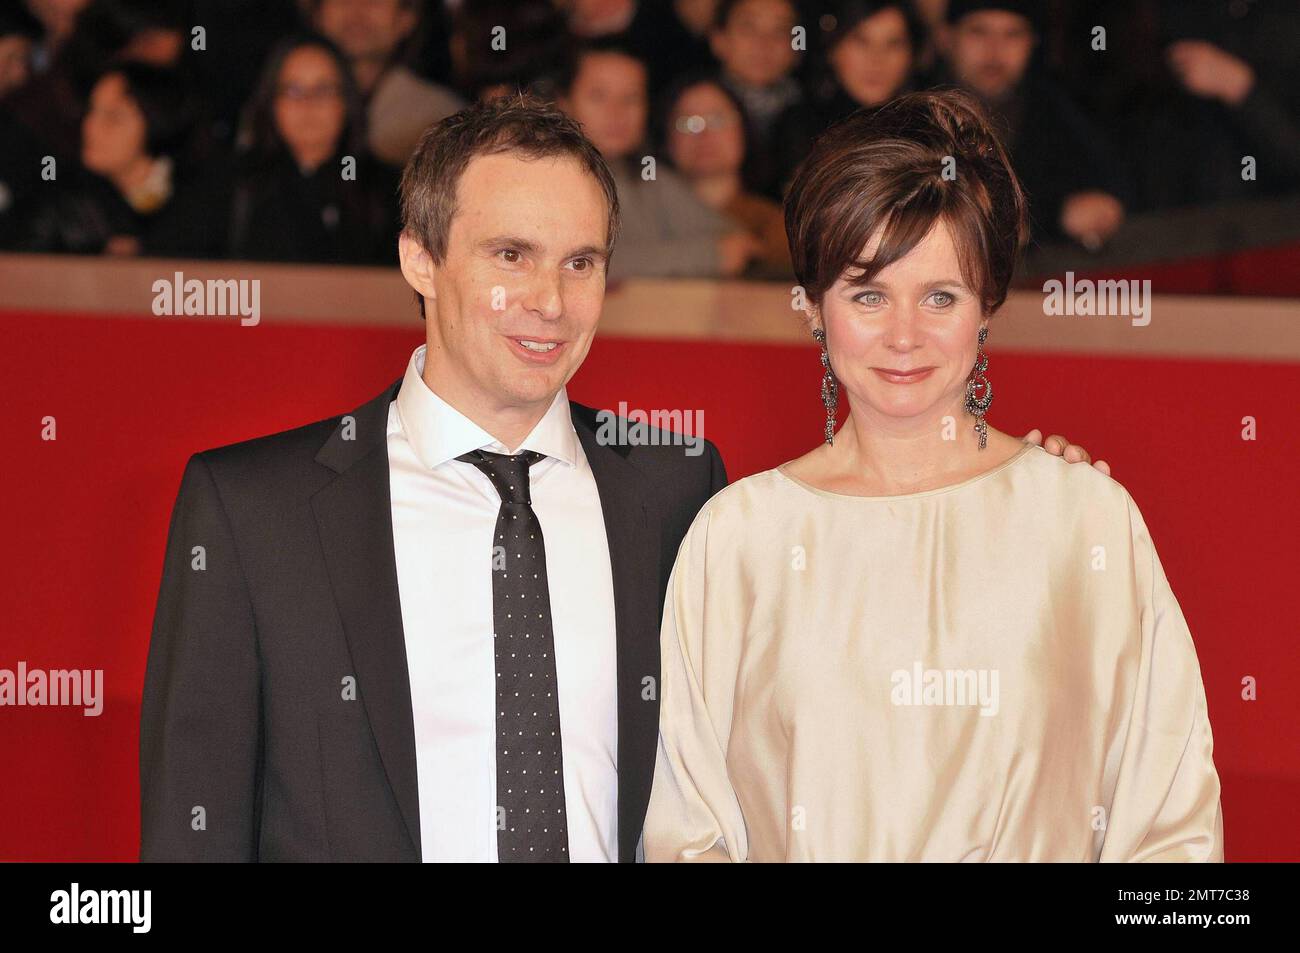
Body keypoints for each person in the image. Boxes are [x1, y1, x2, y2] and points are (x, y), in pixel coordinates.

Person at [138, 92, 1103, 863]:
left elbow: (837, 701)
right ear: (420, 257)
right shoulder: (252, 510)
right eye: (510, 255)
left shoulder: (682, 492)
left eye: (581, 261)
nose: (550, 302)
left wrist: (1017, 497)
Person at [643, 89, 1223, 862]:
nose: (905, 335)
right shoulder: (738, 538)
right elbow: (686, 829)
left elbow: (1171, 826)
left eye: (940, 296)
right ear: (815, 306)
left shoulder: (1084, 518)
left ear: (987, 305)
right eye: (869, 293)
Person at [557, 36, 759, 280]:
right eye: (599, 96)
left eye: (631, 98)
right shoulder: (549, 178)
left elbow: (735, 241)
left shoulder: (647, 176)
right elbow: (581, 262)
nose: (617, 112)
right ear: (564, 103)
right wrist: (708, 256)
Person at [939, 0, 1128, 249]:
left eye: (1012, 34)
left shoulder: (1059, 111)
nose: (994, 50)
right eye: (979, 31)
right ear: (947, 37)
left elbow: (1111, 194)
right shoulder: (911, 113)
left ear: (1032, 41)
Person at [224, 33, 399, 264]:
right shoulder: (234, 183)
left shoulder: (388, 191)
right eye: (293, 91)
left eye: (324, 90)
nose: (308, 104)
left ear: (346, 101)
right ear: (271, 102)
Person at [658, 72, 793, 278]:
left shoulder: (776, 224)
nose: (704, 134)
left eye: (718, 120)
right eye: (688, 123)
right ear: (667, 140)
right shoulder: (647, 219)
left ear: (745, 131)